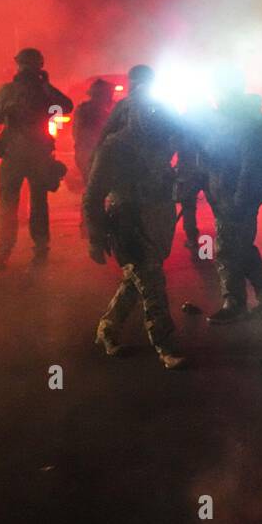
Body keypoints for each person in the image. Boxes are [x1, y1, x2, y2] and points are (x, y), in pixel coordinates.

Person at [82, 85, 188, 370]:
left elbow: (189, 143)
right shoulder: (115, 146)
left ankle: (107, 329)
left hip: (158, 218)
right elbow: (93, 196)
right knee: (151, 279)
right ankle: (165, 345)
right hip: (128, 222)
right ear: (132, 112)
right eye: (146, 109)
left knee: (137, 280)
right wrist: (95, 237)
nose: (152, 115)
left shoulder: (163, 139)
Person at [199, 67, 262, 324]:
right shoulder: (231, 117)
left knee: (227, 250)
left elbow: (251, 163)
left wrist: (239, 200)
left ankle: (234, 304)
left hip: (236, 196)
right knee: (241, 247)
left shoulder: (247, 119)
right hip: (227, 194)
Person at [0, 48, 73, 270]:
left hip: (27, 155)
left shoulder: (26, 92)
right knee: (22, 204)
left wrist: (46, 86)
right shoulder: (13, 92)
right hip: (22, 155)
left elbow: (65, 107)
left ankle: (14, 250)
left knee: (18, 204)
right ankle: (16, 250)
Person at [103, 65, 203, 252]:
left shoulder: (127, 106)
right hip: (146, 180)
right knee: (147, 235)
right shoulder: (159, 106)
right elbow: (181, 137)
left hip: (139, 181)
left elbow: (104, 138)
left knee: (141, 236)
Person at [72, 79, 115, 186]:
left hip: (86, 154)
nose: (111, 97)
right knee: (95, 188)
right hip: (92, 155)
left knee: (91, 188)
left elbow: (76, 133)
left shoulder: (83, 109)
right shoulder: (97, 112)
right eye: (109, 94)